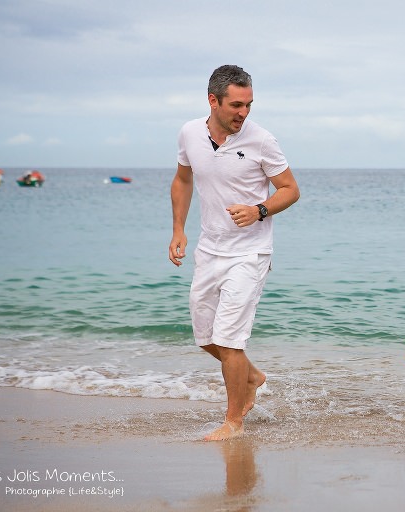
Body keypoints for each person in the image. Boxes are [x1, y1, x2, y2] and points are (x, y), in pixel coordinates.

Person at [169, 65, 300, 441]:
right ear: (213, 101)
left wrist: (259, 209)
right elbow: (182, 178)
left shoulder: (262, 140)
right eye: (236, 105)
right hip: (210, 249)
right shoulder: (189, 133)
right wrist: (179, 229)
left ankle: (233, 423)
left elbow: (290, 189)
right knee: (206, 337)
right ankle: (253, 377)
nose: (244, 113)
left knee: (229, 340)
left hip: (250, 252)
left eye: (249, 105)